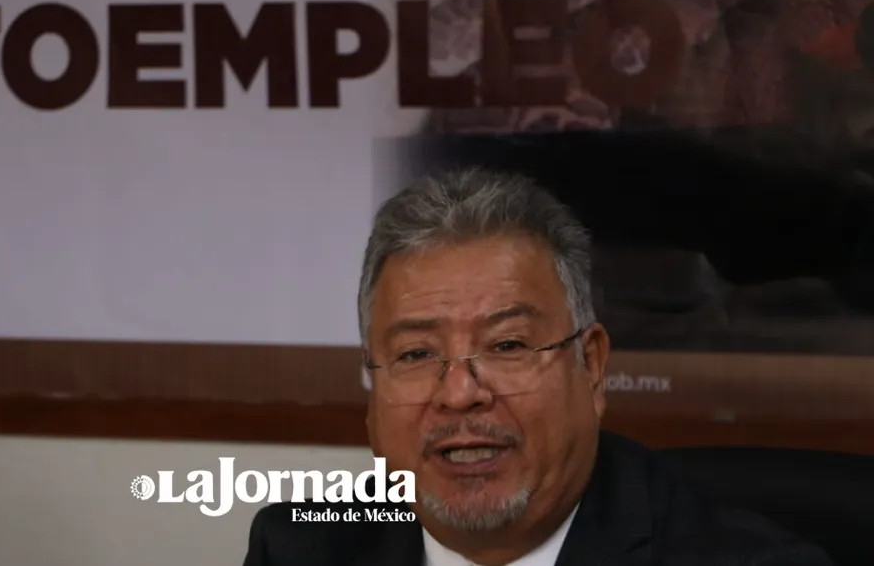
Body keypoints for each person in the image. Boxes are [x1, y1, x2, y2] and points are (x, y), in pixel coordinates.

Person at [241, 168, 834, 566]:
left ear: (591, 366)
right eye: (416, 354)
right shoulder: (301, 549)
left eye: (506, 346)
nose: (459, 393)